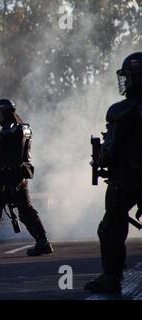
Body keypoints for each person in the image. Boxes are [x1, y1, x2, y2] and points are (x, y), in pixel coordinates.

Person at [0, 99, 53, 258]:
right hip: (20, 178)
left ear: (3, 113)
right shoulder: (24, 128)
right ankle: (43, 242)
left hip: (8, 179)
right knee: (26, 212)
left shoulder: (8, 130)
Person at [84, 52, 142, 294]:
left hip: (127, 179)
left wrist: (101, 158)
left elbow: (110, 149)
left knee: (110, 228)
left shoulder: (122, 110)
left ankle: (112, 277)